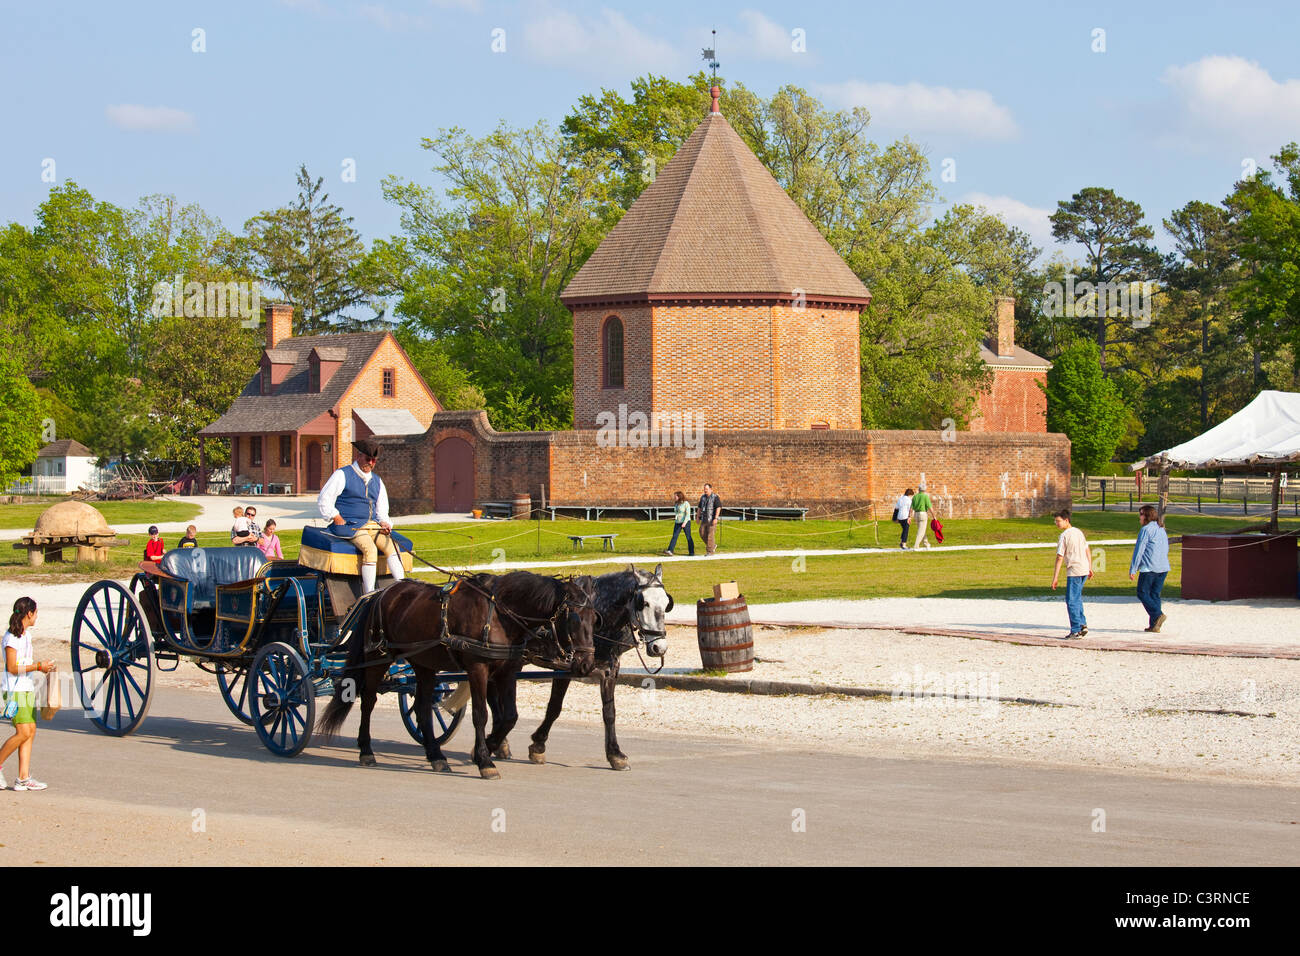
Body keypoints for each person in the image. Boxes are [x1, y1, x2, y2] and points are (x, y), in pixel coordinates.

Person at [317, 438, 406, 593]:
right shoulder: (342, 474)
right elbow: (324, 499)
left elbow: (382, 509)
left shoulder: (377, 481)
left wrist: (385, 523)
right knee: (370, 549)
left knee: (392, 547)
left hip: (372, 525)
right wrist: (335, 516)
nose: (371, 463)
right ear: (359, 456)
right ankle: (369, 593)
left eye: (374, 461)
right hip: (349, 526)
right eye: (368, 459)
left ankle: (403, 587)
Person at [1, 597, 54, 791]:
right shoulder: (11, 638)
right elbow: (12, 667)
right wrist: (38, 666)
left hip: (26, 688)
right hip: (14, 691)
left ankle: (23, 778)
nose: (37, 616)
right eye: (36, 613)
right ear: (29, 613)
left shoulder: (25, 636)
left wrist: (41, 668)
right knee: (23, 732)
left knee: (30, 731)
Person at [1050, 508, 1093, 639]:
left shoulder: (1064, 536)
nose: (1056, 523)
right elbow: (1087, 550)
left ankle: (1075, 629)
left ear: (1066, 520)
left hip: (1074, 570)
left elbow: (1059, 557)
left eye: (1058, 521)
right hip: (1084, 569)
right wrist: (1090, 567)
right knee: (1077, 597)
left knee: (1071, 600)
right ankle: (1082, 624)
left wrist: (1055, 577)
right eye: (1055, 521)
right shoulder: (1079, 532)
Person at [1129, 504, 1170, 632]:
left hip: (1149, 568)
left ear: (1147, 516)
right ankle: (1154, 625)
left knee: (1142, 593)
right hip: (1163, 567)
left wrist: (1133, 569)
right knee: (1154, 595)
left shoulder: (1146, 530)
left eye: (1141, 514)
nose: (1139, 518)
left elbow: (1139, 550)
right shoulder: (1161, 529)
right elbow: (1166, 548)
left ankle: (1158, 615)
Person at [663, 491, 695, 556]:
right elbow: (677, 513)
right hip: (678, 522)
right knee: (674, 536)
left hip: (686, 522)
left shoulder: (686, 503)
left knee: (688, 537)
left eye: (676, 496)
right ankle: (670, 550)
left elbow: (688, 514)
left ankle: (691, 552)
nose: (674, 497)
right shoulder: (676, 504)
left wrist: (684, 523)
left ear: (679, 496)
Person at [697, 483, 721, 555]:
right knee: (702, 533)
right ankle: (713, 545)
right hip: (704, 519)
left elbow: (718, 507)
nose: (705, 490)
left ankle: (710, 551)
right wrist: (697, 517)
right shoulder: (703, 497)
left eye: (706, 489)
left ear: (711, 489)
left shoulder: (715, 497)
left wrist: (716, 518)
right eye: (704, 489)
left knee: (710, 535)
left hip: (712, 519)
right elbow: (699, 508)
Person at [911, 482, 933, 549]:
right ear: (925, 489)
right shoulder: (925, 496)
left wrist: (909, 516)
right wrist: (934, 516)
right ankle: (916, 545)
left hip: (916, 514)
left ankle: (926, 543)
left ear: (919, 489)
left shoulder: (915, 496)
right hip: (923, 514)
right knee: (921, 531)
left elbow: (911, 508)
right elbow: (930, 507)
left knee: (921, 530)